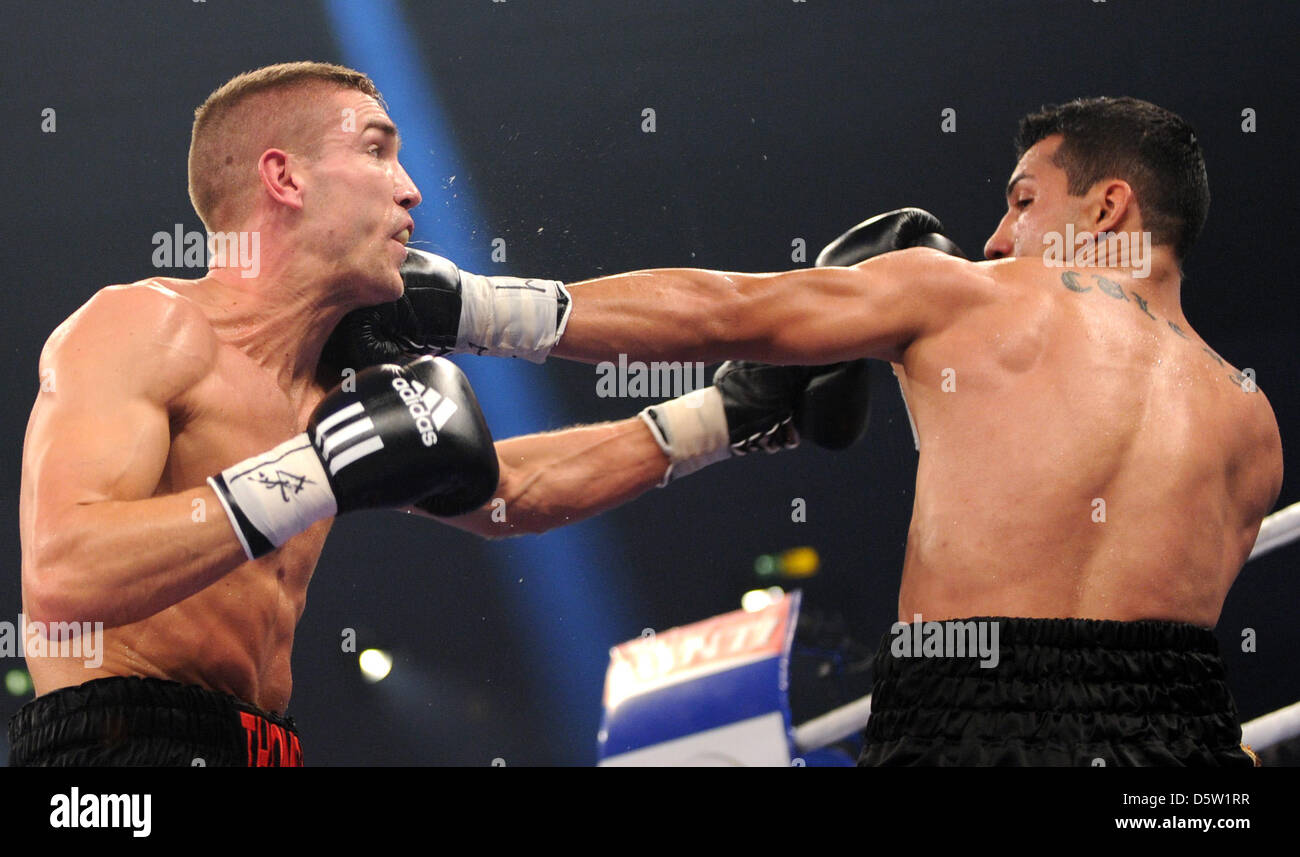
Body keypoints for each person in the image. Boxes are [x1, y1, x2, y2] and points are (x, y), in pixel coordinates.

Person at [339, 97, 1284, 765]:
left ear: (1109, 205)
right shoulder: (1252, 420)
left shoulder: (975, 294)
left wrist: (466, 304)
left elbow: (720, 311)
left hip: (975, 716)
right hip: (1186, 756)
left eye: (1024, 200)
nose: (996, 236)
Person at [11, 62, 867, 766]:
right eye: (378, 152)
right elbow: (64, 576)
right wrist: (312, 472)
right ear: (285, 175)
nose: (413, 191)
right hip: (115, 750)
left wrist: (723, 413)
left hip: (268, 746)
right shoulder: (145, 324)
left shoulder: (338, 379)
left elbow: (506, 494)